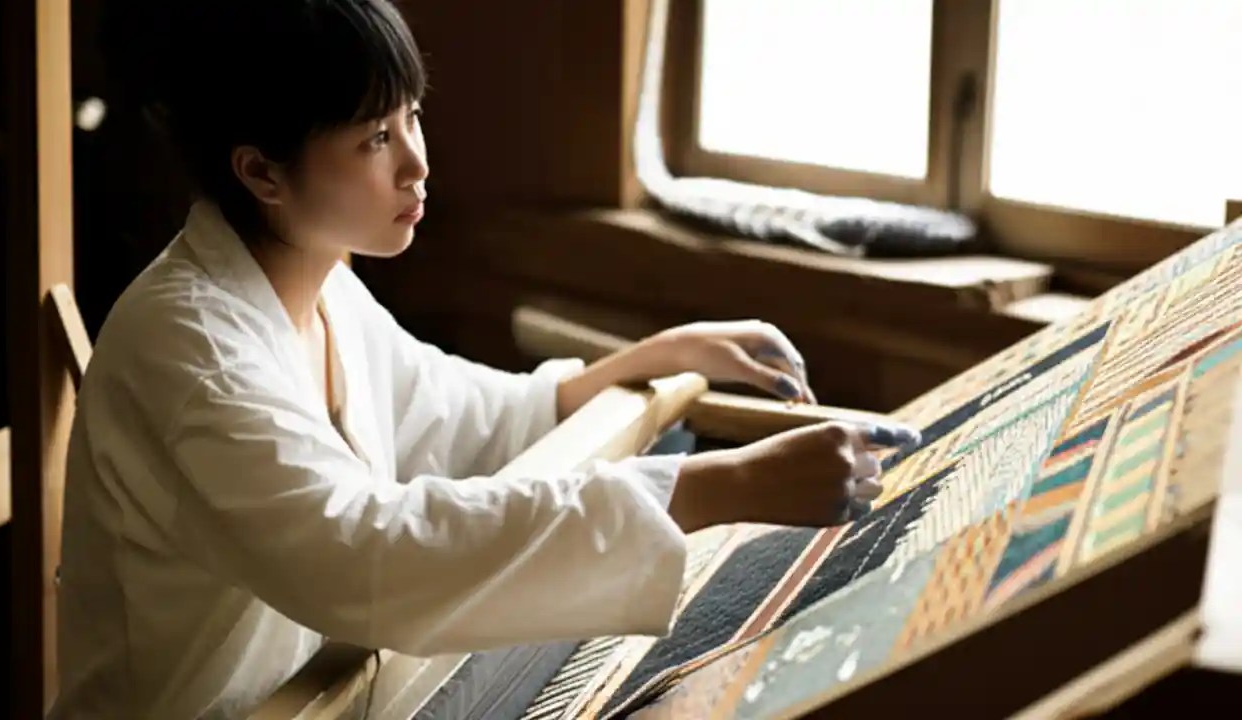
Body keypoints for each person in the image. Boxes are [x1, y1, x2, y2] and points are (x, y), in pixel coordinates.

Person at [52, 1, 920, 717]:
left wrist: (649, 359)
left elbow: (461, 416)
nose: (418, 164)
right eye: (373, 140)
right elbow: (361, 554)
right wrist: (719, 488)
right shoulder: (193, 351)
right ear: (263, 173)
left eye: (411, 117)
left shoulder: (320, 289)